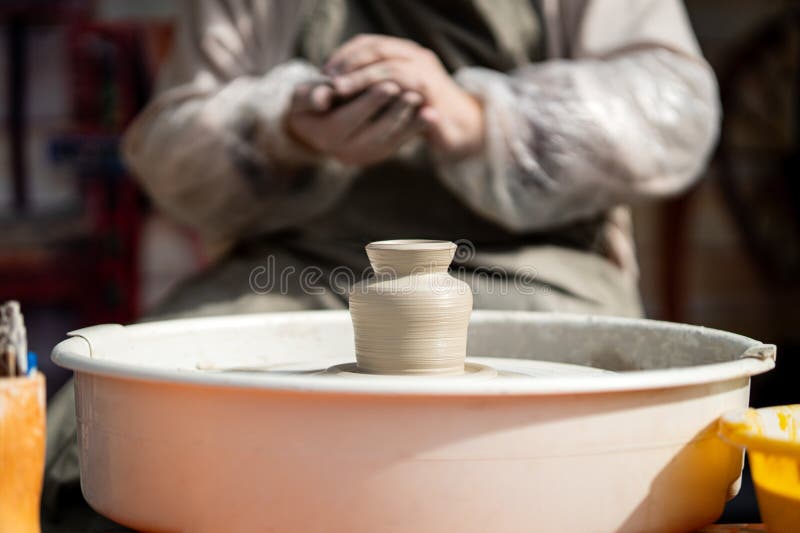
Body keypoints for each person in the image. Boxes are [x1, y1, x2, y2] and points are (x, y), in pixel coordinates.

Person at [43, 0, 719, 528]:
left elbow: (679, 109)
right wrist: (286, 126)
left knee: (566, 457)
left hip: (536, 269)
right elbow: (167, 155)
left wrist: (481, 117)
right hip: (297, 272)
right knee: (96, 438)